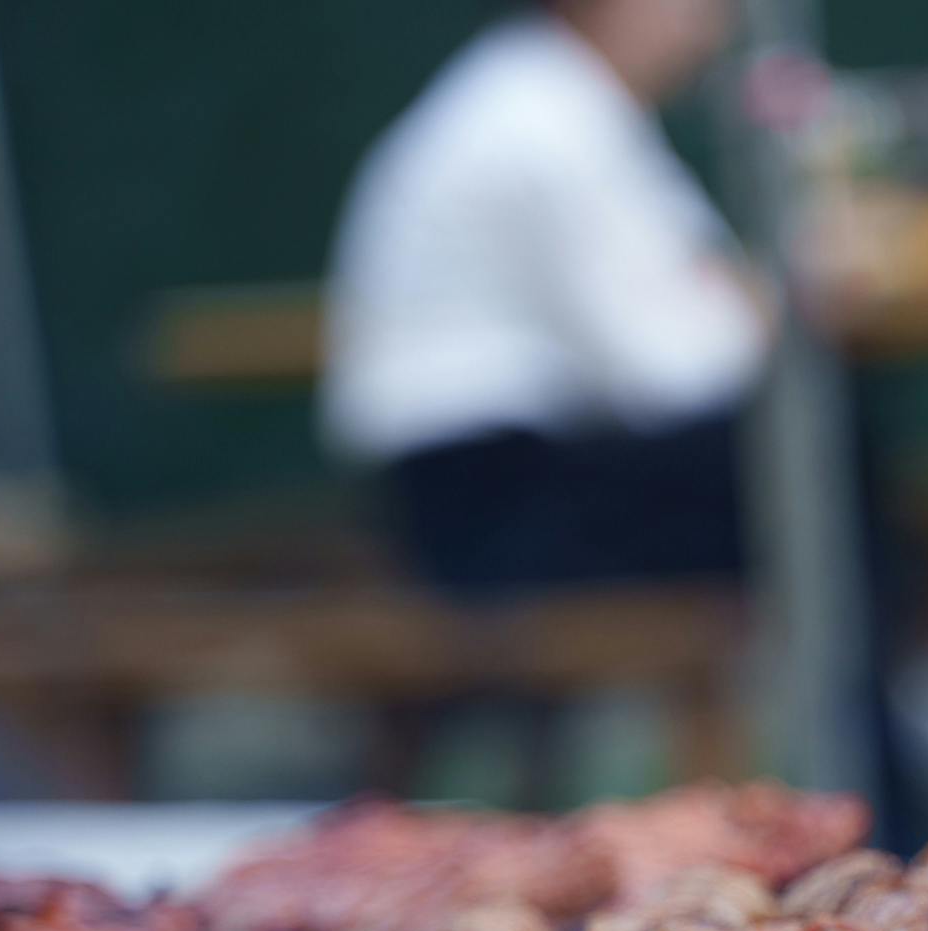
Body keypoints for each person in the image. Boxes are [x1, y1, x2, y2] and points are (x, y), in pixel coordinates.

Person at [321, 0, 768, 593]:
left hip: (476, 482)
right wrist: (773, 311)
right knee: (808, 463)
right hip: (484, 502)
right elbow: (672, 370)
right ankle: (847, 682)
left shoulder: (546, 94)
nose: (710, 26)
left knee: (798, 464)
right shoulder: (545, 118)